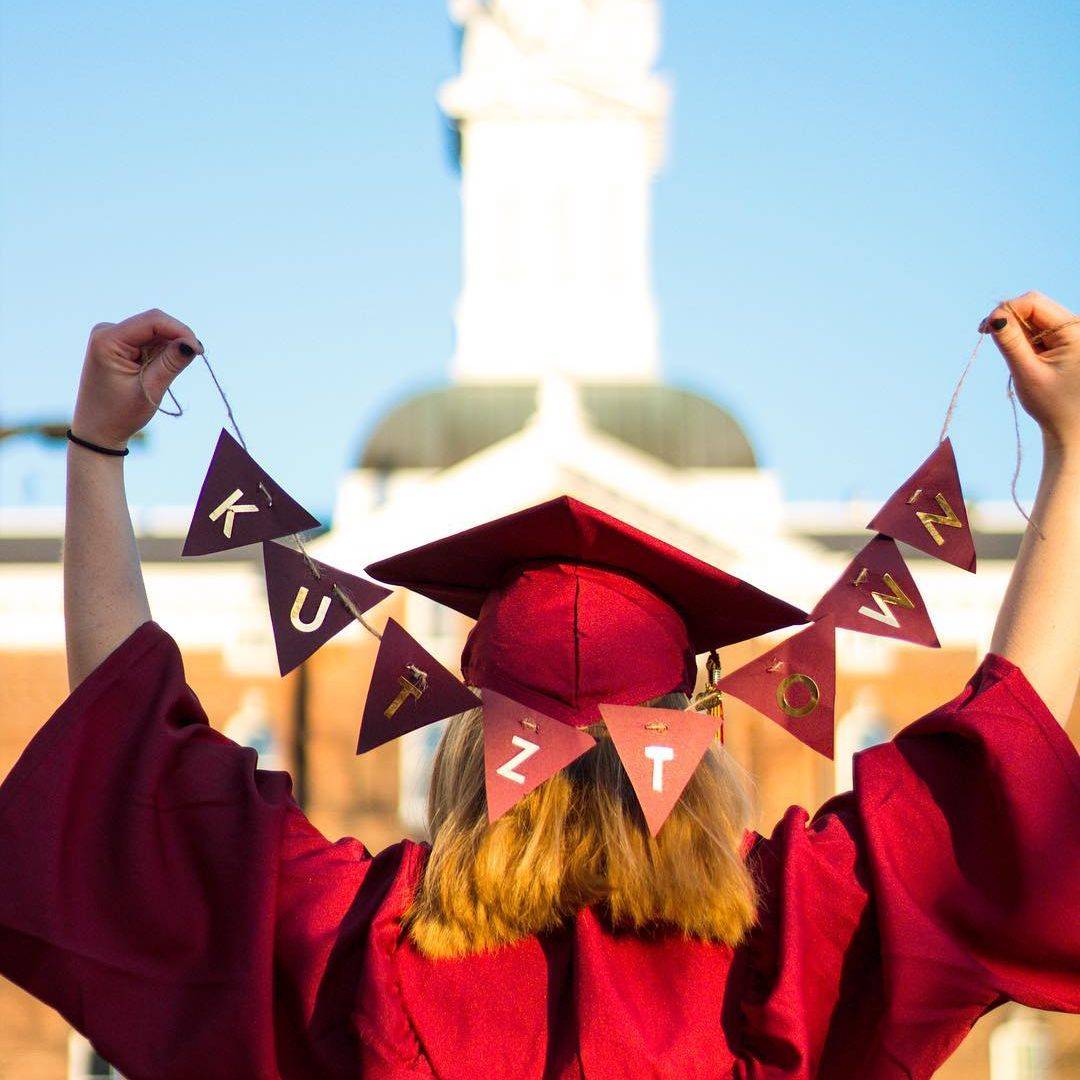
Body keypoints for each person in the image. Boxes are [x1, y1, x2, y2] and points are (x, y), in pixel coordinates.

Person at [0, 294, 1077, 1079]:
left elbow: (134, 755)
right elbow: (998, 759)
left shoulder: (358, 944)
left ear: (471, 745)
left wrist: (98, 451)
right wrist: (1074, 451)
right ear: (688, 740)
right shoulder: (790, 937)